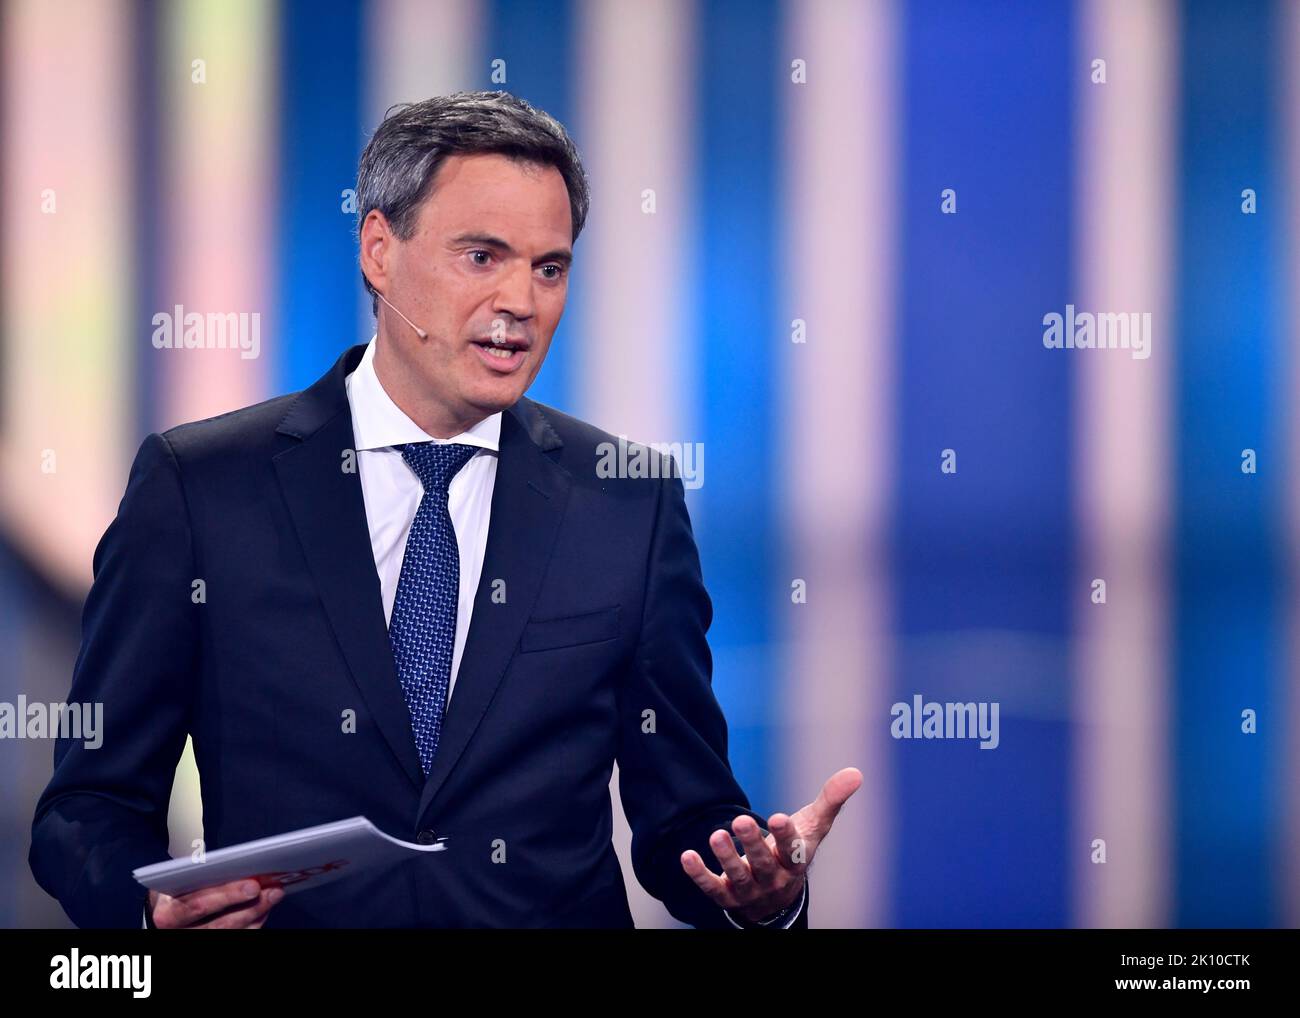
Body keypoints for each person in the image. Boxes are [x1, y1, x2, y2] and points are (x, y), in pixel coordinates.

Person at [29, 90, 860, 929]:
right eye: (482, 256)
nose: (521, 301)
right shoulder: (203, 488)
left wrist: (760, 891)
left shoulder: (627, 501)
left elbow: (686, 817)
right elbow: (87, 807)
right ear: (380, 251)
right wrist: (149, 911)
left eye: (549, 268)